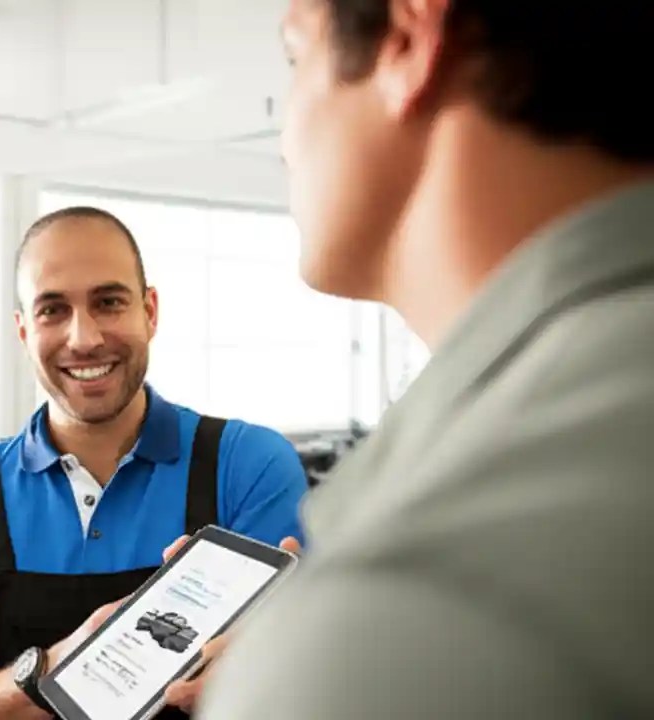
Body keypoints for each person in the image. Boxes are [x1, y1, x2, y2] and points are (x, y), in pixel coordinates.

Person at [187, 1, 654, 717]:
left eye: (295, 55)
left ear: (407, 41)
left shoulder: (398, 616)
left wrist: (309, 656)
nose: (284, 140)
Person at [0, 206, 308, 719]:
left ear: (150, 312)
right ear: (23, 331)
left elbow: (311, 675)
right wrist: (51, 669)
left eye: (108, 302)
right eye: (52, 310)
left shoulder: (248, 467)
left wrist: (265, 666)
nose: (84, 338)